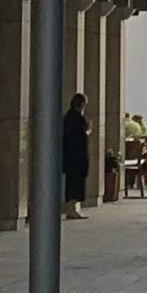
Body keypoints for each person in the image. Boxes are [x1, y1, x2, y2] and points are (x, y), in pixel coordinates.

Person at [62, 87, 92, 220]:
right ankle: (71, 209)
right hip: (76, 157)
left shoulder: (68, 117)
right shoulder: (77, 119)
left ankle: (71, 209)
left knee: (72, 182)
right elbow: (80, 137)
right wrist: (88, 130)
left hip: (70, 156)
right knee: (75, 183)